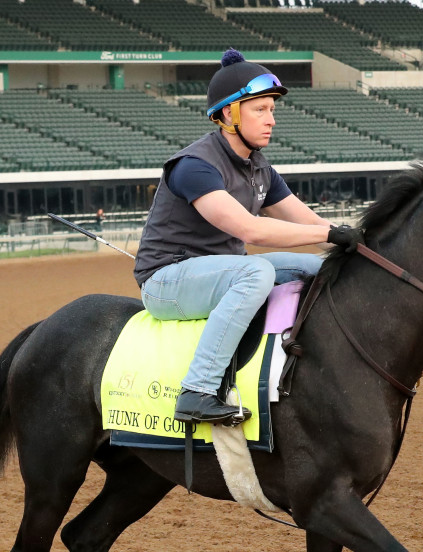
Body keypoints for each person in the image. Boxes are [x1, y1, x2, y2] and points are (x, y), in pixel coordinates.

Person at [134, 49, 362, 424]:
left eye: (273, 109)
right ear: (228, 114)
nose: (271, 120)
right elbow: (250, 229)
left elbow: (308, 224)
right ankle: (198, 391)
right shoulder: (194, 166)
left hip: (222, 273)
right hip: (166, 281)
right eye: (260, 110)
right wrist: (330, 232)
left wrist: (358, 245)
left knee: (324, 267)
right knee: (256, 273)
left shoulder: (260, 168)